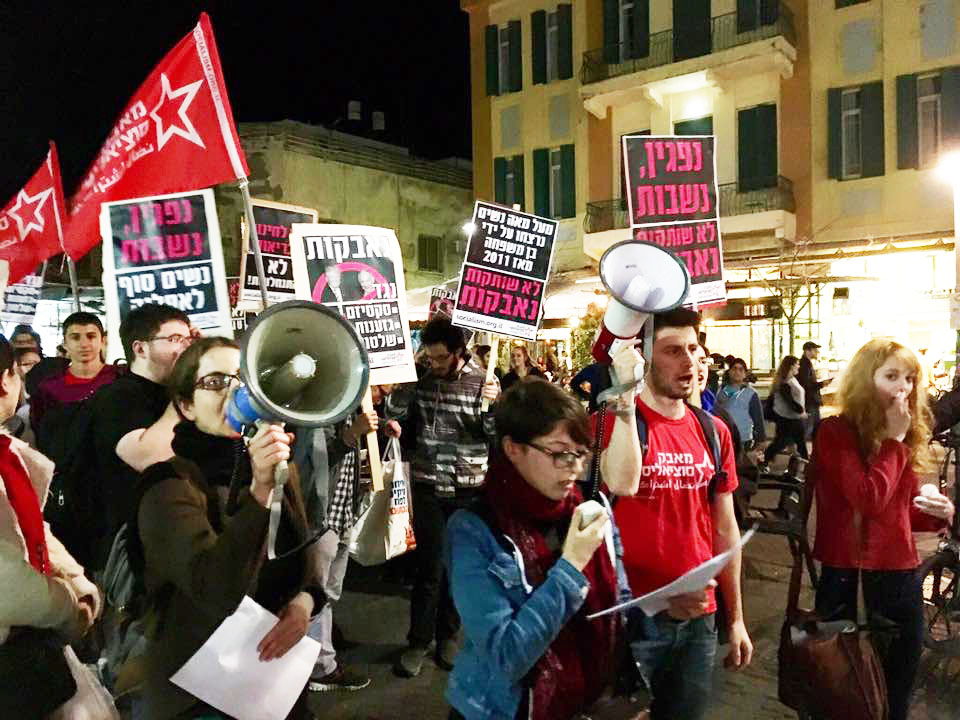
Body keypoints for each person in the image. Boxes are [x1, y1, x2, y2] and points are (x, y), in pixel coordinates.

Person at [134, 336, 323, 720]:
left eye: (243, 379)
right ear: (186, 405)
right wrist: (260, 491)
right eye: (216, 381)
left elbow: (303, 555)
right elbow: (216, 589)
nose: (236, 391)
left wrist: (306, 603)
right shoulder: (167, 485)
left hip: (275, 681)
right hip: (202, 695)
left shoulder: (283, 470)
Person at [446, 377, 639, 720]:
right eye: (560, 454)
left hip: (590, 704)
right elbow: (507, 657)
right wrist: (572, 564)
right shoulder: (474, 527)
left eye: (580, 454)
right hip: (504, 709)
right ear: (513, 448)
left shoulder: (591, 507)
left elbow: (618, 607)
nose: (576, 469)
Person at [598, 308, 751, 720]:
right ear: (643, 358)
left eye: (693, 349)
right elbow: (621, 484)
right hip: (630, 624)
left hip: (700, 619)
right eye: (672, 351)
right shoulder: (608, 423)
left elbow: (725, 528)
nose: (688, 362)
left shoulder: (713, 431)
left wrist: (735, 618)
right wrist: (625, 400)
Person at [811, 338, 954, 720]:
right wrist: (893, 442)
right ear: (864, 379)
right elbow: (867, 499)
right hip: (849, 579)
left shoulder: (905, 436)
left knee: (896, 694)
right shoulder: (835, 432)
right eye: (891, 376)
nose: (903, 388)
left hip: (900, 576)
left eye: (910, 378)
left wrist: (939, 512)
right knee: (846, 694)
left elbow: (900, 512)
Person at [385, 316, 500, 678]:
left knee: (455, 567)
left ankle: (448, 636)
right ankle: (417, 642)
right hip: (428, 483)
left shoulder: (485, 381)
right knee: (429, 567)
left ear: (458, 352)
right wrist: (404, 386)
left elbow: (494, 436)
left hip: (468, 486)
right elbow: (394, 414)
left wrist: (491, 408)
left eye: (439, 358)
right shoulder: (421, 377)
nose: (433, 364)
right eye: (429, 357)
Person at [0, 335, 103, 716]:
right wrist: (66, 606)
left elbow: (31, 529)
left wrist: (77, 584)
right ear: (9, 378)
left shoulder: (9, 453)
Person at [296, 385, 399, 693]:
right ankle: (318, 667)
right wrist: (351, 433)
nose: (385, 393)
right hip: (320, 519)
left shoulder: (360, 412)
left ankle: (319, 658)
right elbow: (311, 461)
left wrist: (378, 433)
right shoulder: (323, 407)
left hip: (341, 516)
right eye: (381, 386)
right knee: (314, 593)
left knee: (328, 592)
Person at [83, 304, 193, 569]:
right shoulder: (118, 397)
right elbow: (150, 457)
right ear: (140, 348)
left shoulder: (172, 395)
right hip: (132, 552)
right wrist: (186, 386)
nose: (186, 348)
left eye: (189, 339)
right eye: (174, 339)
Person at [30, 312, 119, 458]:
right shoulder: (49, 389)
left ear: (102, 341)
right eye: (75, 337)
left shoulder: (119, 379)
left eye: (91, 336)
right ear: (65, 343)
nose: (84, 344)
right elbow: (41, 432)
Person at [763, 355, 808, 466]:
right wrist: (801, 411)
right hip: (787, 418)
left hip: (791, 417)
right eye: (797, 364)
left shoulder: (791, 379)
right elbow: (789, 401)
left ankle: (766, 460)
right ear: (791, 366)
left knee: (788, 442)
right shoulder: (784, 383)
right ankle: (765, 460)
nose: (799, 366)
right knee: (782, 442)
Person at [717, 358, 766, 453]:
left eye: (741, 369)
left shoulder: (751, 393)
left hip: (743, 439)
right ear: (729, 372)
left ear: (745, 373)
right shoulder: (721, 391)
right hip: (724, 437)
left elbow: (758, 417)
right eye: (734, 369)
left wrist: (761, 438)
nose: (737, 372)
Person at [797, 341, 831, 440]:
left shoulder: (807, 363)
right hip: (810, 400)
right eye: (815, 350)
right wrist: (822, 384)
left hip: (811, 400)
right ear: (807, 351)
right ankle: (803, 450)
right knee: (809, 427)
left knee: (814, 427)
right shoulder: (805, 364)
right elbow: (806, 384)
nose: (817, 352)